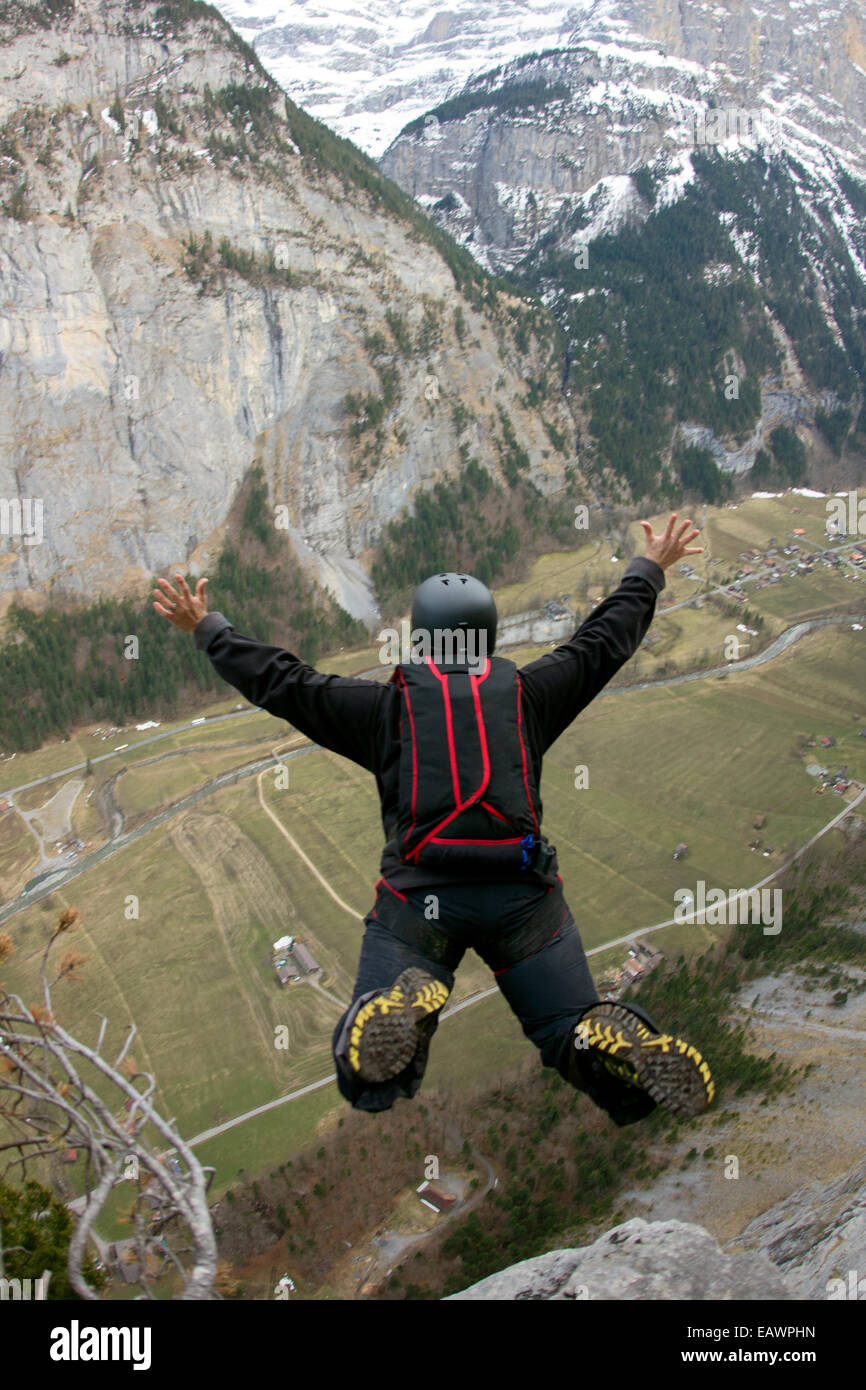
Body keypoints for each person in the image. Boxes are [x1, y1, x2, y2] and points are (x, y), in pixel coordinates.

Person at [153, 512, 713, 1126]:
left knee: (369, 1059)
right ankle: (592, 1033)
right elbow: (602, 642)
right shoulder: (530, 696)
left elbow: (284, 682)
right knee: (562, 1029)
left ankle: (406, 1012)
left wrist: (206, 627)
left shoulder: (381, 710)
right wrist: (648, 568)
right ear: (489, 637)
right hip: (524, 896)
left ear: (420, 640)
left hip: (420, 900)